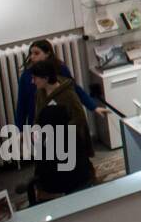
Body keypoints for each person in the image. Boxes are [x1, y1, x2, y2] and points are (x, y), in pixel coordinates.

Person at [28, 58, 96, 199]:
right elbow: (38, 115)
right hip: (48, 144)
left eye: (35, 78)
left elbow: (79, 118)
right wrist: (35, 128)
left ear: (46, 78)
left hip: (67, 144)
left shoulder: (68, 94)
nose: (32, 82)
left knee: (73, 181)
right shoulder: (39, 94)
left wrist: (61, 133)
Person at [15, 39, 108, 128]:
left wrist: (93, 107)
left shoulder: (60, 69)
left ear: (47, 54)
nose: (32, 57)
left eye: (36, 53)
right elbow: (22, 104)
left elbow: (75, 89)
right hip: (39, 120)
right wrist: (20, 129)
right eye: (31, 53)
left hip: (62, 119)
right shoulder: (26, 76)